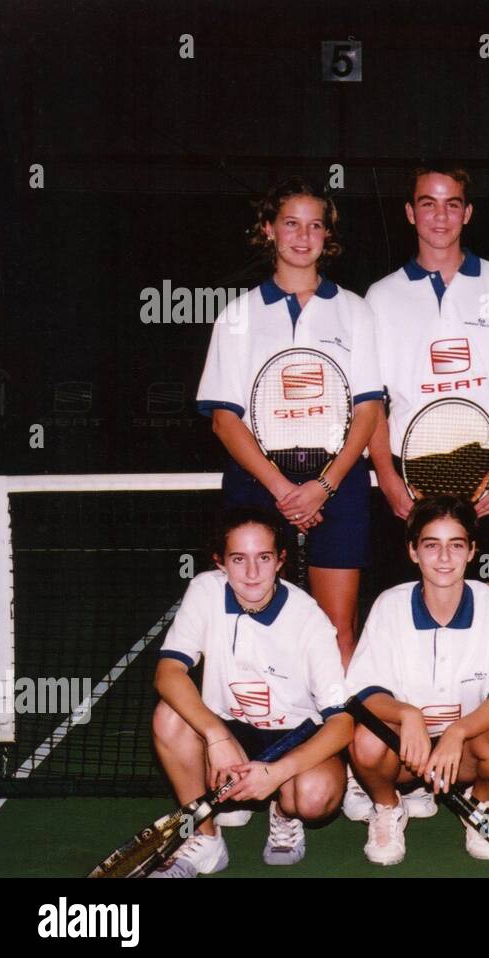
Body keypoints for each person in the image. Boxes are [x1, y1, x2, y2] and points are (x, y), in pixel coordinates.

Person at [196, 176, 384, 668]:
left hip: (337, 484)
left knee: (338, 626)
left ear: (328, 236)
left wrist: (324, 484)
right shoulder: (237, 315)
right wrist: (282, 488)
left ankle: (336, 744)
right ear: (269, 230)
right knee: (251, 622)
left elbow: (368, 412)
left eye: (315, 226)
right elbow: (224, 420)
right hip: (259, 482)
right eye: (291, 224)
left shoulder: (355, 311)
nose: (303, 237)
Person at [366, 161, 489, 601]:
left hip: (488, 469)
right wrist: (390, 481)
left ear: (467, 213)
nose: (441, 216)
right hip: (413, 471)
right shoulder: (381, 296)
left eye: (453, 204)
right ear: (410, 213)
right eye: (429, 204)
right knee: (411, 604)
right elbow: (373, 402)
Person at [149, 507, 352, 877]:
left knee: (314, 797)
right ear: (220, 562)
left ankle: (283, 810)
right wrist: (216, 736)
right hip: (227, 729)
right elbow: (168, 673)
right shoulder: (204, 591)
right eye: (238, 559)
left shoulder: (309, 621)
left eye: (264, 558)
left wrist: (276, 775)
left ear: (280, 561)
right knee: (169, 714)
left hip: (293, 735)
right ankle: (207, 840)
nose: (252, 572)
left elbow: (341, 724)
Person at [344, 496, 489, 865]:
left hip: (462, 751)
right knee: (364, 741)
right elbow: (363, 692)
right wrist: (409, 714)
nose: (444, 558)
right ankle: (388, 806)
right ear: (413, 551)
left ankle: (478, 803)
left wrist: (458, 731)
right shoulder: (389, 605)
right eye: (431, 545)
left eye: (456, 545)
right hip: (406, 752)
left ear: (472, 551)